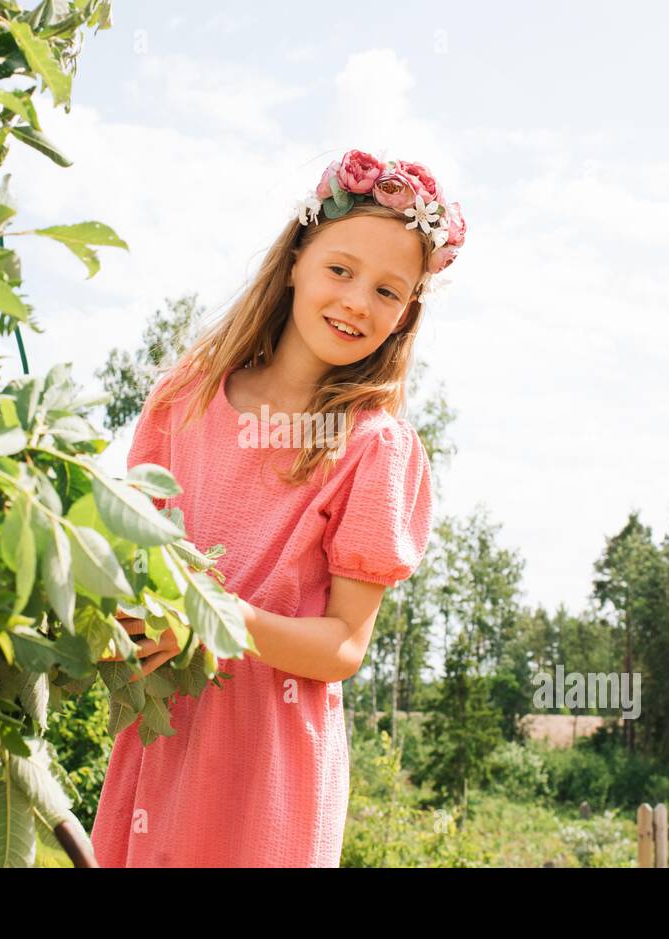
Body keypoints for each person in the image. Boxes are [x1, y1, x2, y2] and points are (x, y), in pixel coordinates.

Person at [89, 149, 467, 867]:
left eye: (389, 292)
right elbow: (134, 560)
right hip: (165, 734)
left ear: (407, 314)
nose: (358, 301)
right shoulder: (184, 398)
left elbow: (343, 645)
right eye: (340, 269)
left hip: (269, 766)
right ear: (296, 258)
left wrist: (216, 619)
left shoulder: (374, 448)